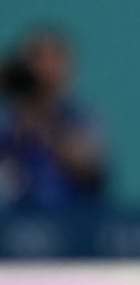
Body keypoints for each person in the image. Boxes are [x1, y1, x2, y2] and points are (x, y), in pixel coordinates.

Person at [0, 27, 106, 209]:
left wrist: (42, 119)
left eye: (54, 60)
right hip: (13, 222)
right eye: (38, 59)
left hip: (72, 221)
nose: (46, 69)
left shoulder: (81, 116)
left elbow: (86, 164)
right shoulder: (7, 117)